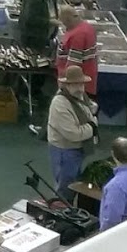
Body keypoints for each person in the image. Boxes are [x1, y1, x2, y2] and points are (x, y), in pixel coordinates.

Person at [46, 65, 96, 200]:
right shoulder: (60, 104)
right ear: (67, 85)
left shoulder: (78, 96)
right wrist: (93, 126)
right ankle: (61, 212)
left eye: (82, 84)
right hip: (65, 151)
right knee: (66, 187)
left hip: (76, 150)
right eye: (75, 84)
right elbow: (73, 134)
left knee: (74, 182)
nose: (80, 88)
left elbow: (88, 108)